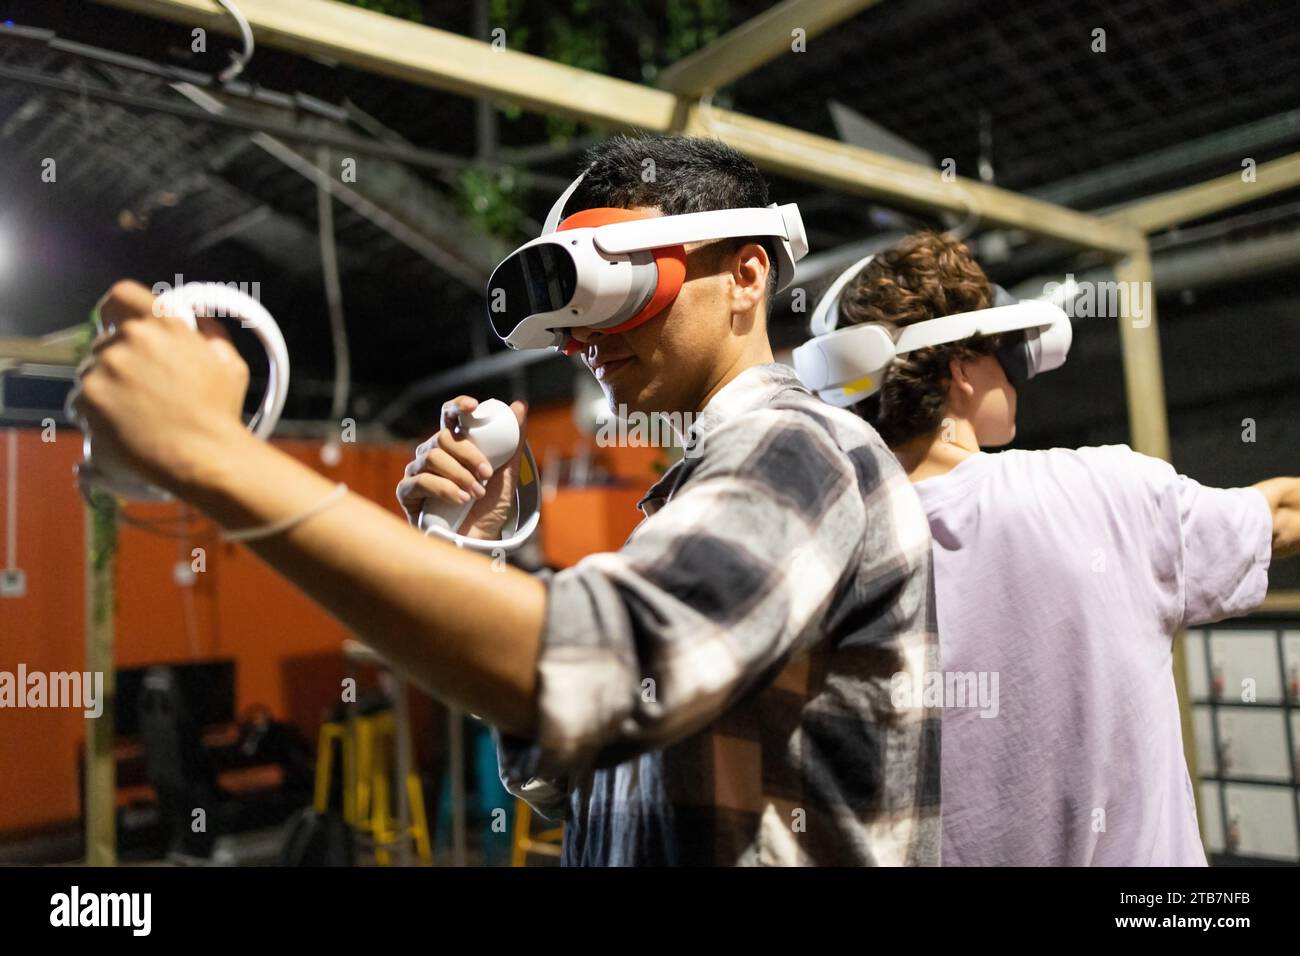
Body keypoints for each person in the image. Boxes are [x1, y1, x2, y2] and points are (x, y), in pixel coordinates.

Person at [73, 135, 939, 866]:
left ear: (746, 275)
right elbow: (572, 773)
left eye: (615, 286)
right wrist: (478, 552)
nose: (587, 341)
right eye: (571, 321)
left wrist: (214, 457)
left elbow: (609, 675)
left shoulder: (800, 446)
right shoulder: (693, 491)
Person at [828, 230, 1300, 866]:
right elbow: (1277, 518)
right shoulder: (1101, 489)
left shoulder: (832, 545)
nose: (1014, 375)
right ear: (960, 370)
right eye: (999, 354)